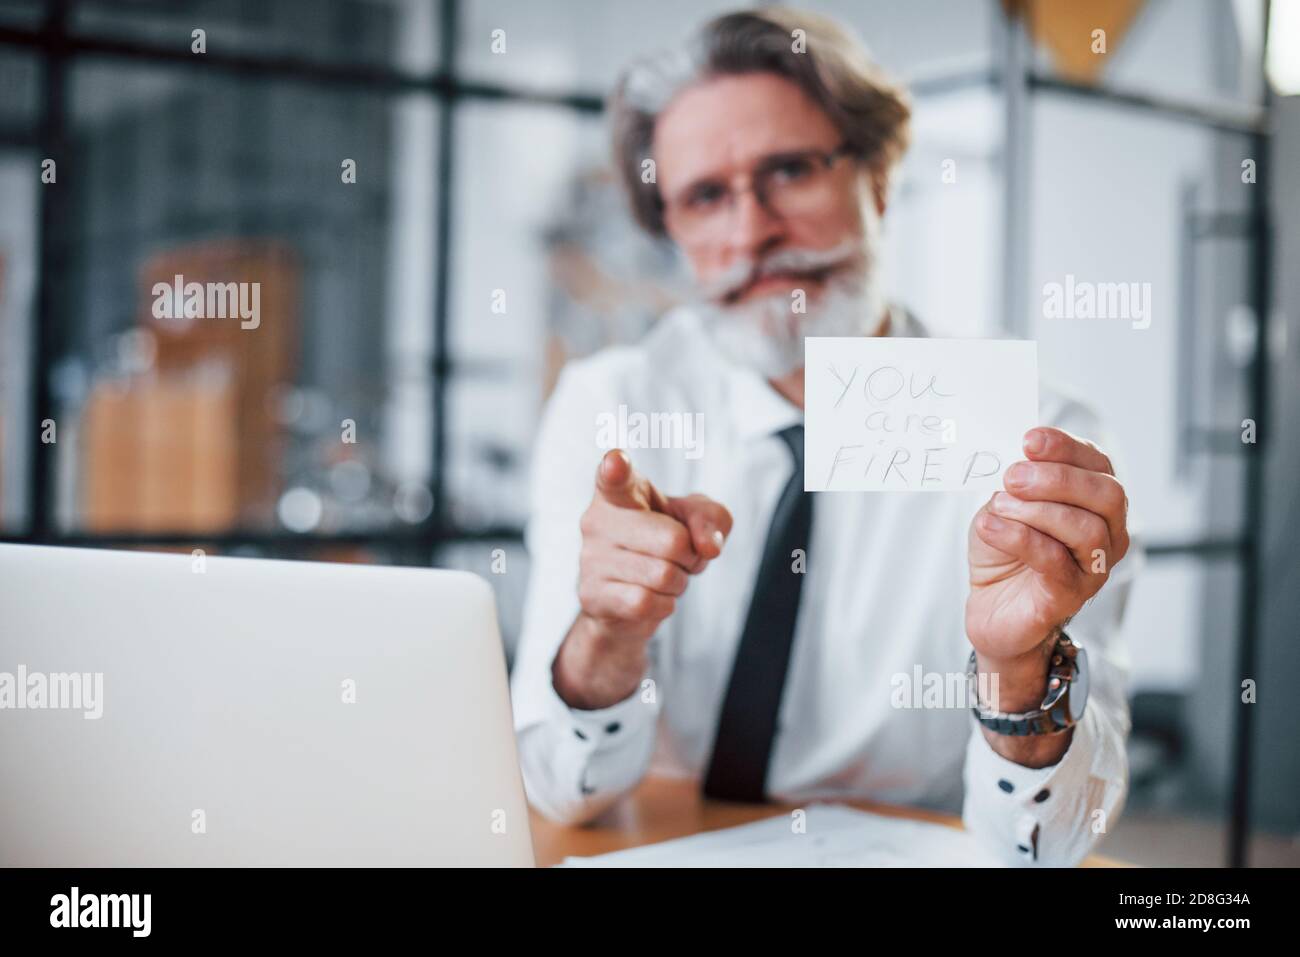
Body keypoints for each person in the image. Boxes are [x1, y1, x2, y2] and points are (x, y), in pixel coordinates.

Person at [510, 7, 1137, 867]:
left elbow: (1047, 846)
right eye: (704, 197)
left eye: (791, 170)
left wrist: (1019, 671)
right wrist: (606, 638)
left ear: (879, 175)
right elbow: (558, 788)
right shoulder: (611, 405)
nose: (752, 231)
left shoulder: (1034, 441)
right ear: (674, 234)